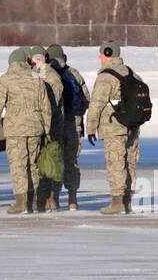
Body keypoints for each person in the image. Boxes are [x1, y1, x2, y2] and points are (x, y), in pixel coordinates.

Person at [0, 48, 51, 215]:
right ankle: (35, 201)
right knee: (33, 165)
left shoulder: (6, 79)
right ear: (25, 62)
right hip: (35, 128)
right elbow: (46, 107)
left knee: (18, 165)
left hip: (15, 129)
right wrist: (47, 129)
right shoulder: (37, 78)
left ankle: (21, 201)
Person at [85, 40, 142, 215]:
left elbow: (96, 104)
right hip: (132, 126)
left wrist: (90, 128)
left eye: (102, 54)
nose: (100, 57)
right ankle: (127, 200)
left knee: (116, 162)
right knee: (129, 163)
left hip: (113, 127)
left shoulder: (106, 76)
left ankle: (117, 202)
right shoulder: (131, 73)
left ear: (108, 54)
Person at [45, 44, 88, 211]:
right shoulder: (73, 73)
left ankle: (54, 198)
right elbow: (86, 98)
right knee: (71, 161)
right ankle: (72, 199)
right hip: (73, 123)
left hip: (55, 124)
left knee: (54, 160)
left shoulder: (46, 73)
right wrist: (78, 116)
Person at [31, 45, 64, 212]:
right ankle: (42, 198)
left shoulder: (50, 75)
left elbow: (53, 102)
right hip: (39, 124)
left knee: (50, 162)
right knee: (40, 162)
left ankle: (51, 198)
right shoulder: (35, 74)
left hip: (51, 126)